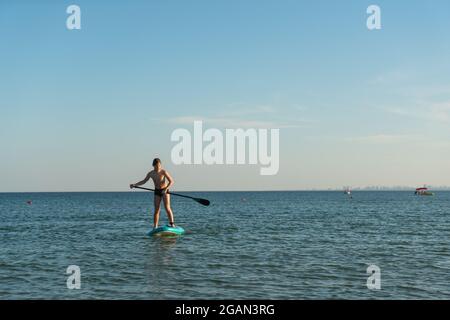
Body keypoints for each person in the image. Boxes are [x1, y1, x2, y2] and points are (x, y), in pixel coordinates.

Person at [130, 158, 176, 228]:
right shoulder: (151, 173)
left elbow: (171, 181)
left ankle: (172, 224)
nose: (158, 167)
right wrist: (134, 184)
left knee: (167, 208)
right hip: (157, 191)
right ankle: (155, 226)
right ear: (153, 165)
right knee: (157, 209)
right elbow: (144, 181)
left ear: (160, 165)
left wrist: (166, 189)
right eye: (156, 166)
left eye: (159, 165)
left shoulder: (164, 172)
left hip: (165, 190)